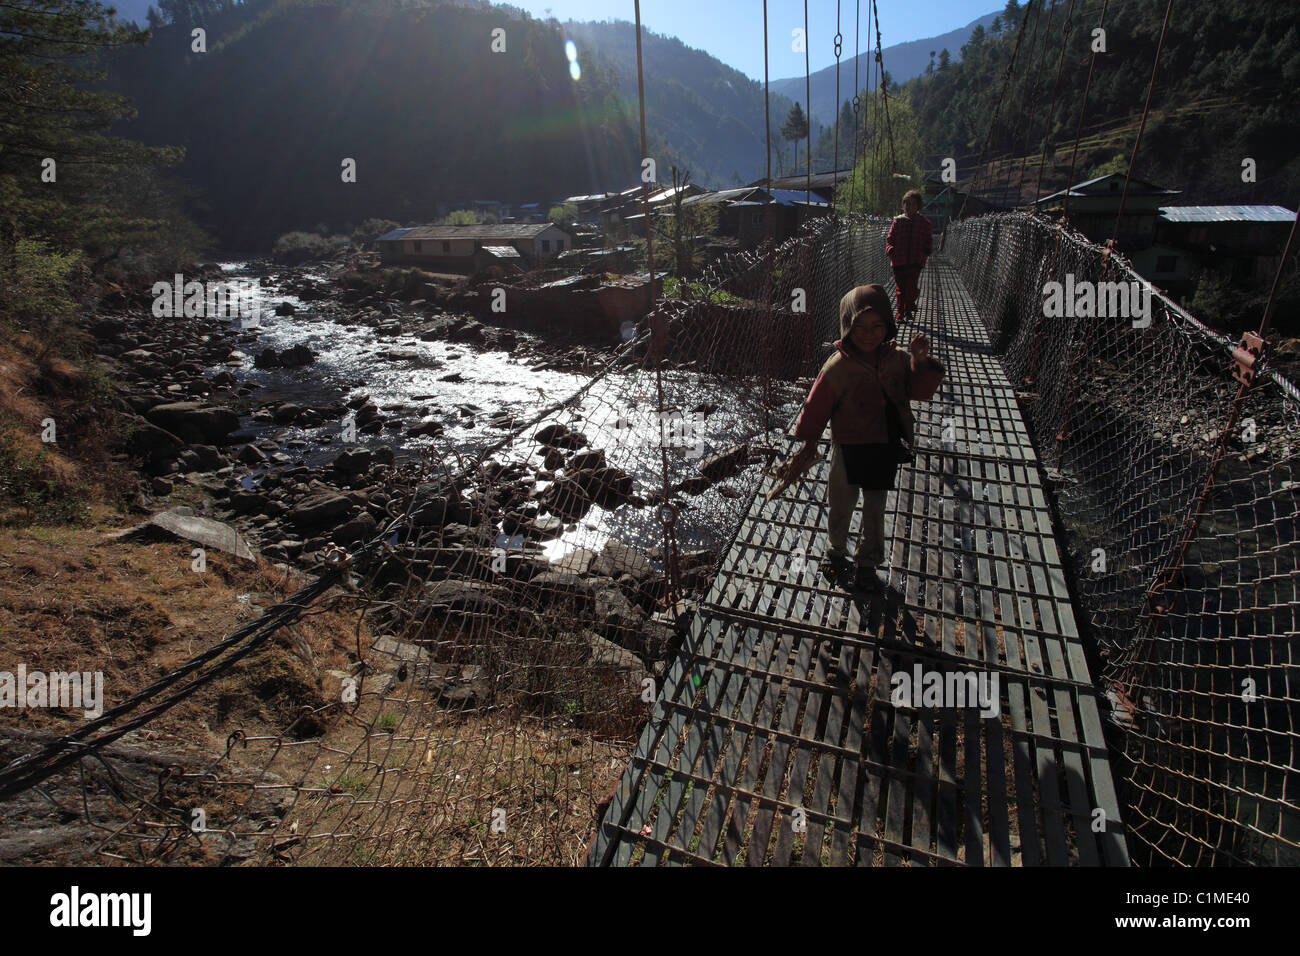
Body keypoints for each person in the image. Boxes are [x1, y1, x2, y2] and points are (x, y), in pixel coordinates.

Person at [787, 283, 944, 590]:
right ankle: (836, 550)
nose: (869, 334)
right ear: (847, 328)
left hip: (884, 447)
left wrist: (921, 363)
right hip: (847, 447)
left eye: (877, 326)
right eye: (859, 327)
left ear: (888, 327)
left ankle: (869, 562)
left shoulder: (898, 360)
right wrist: (809, 439)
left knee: (875, 508)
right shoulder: (838, 366)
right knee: (841, 503)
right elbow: (818, 404)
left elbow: (919, 391)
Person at [886, 189, 933, 320]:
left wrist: (927, 250)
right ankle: (901, 313)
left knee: (911, 287)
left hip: (915, 261)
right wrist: (891, 250)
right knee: (900, 288)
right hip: (899, 261)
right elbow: (890, 238)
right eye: (907, 203)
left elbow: (928, 239)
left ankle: (909, 307)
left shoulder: (924, 223)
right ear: (903, 205)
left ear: (918, 206)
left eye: (913, 204)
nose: (909, 206)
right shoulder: (898, 221)